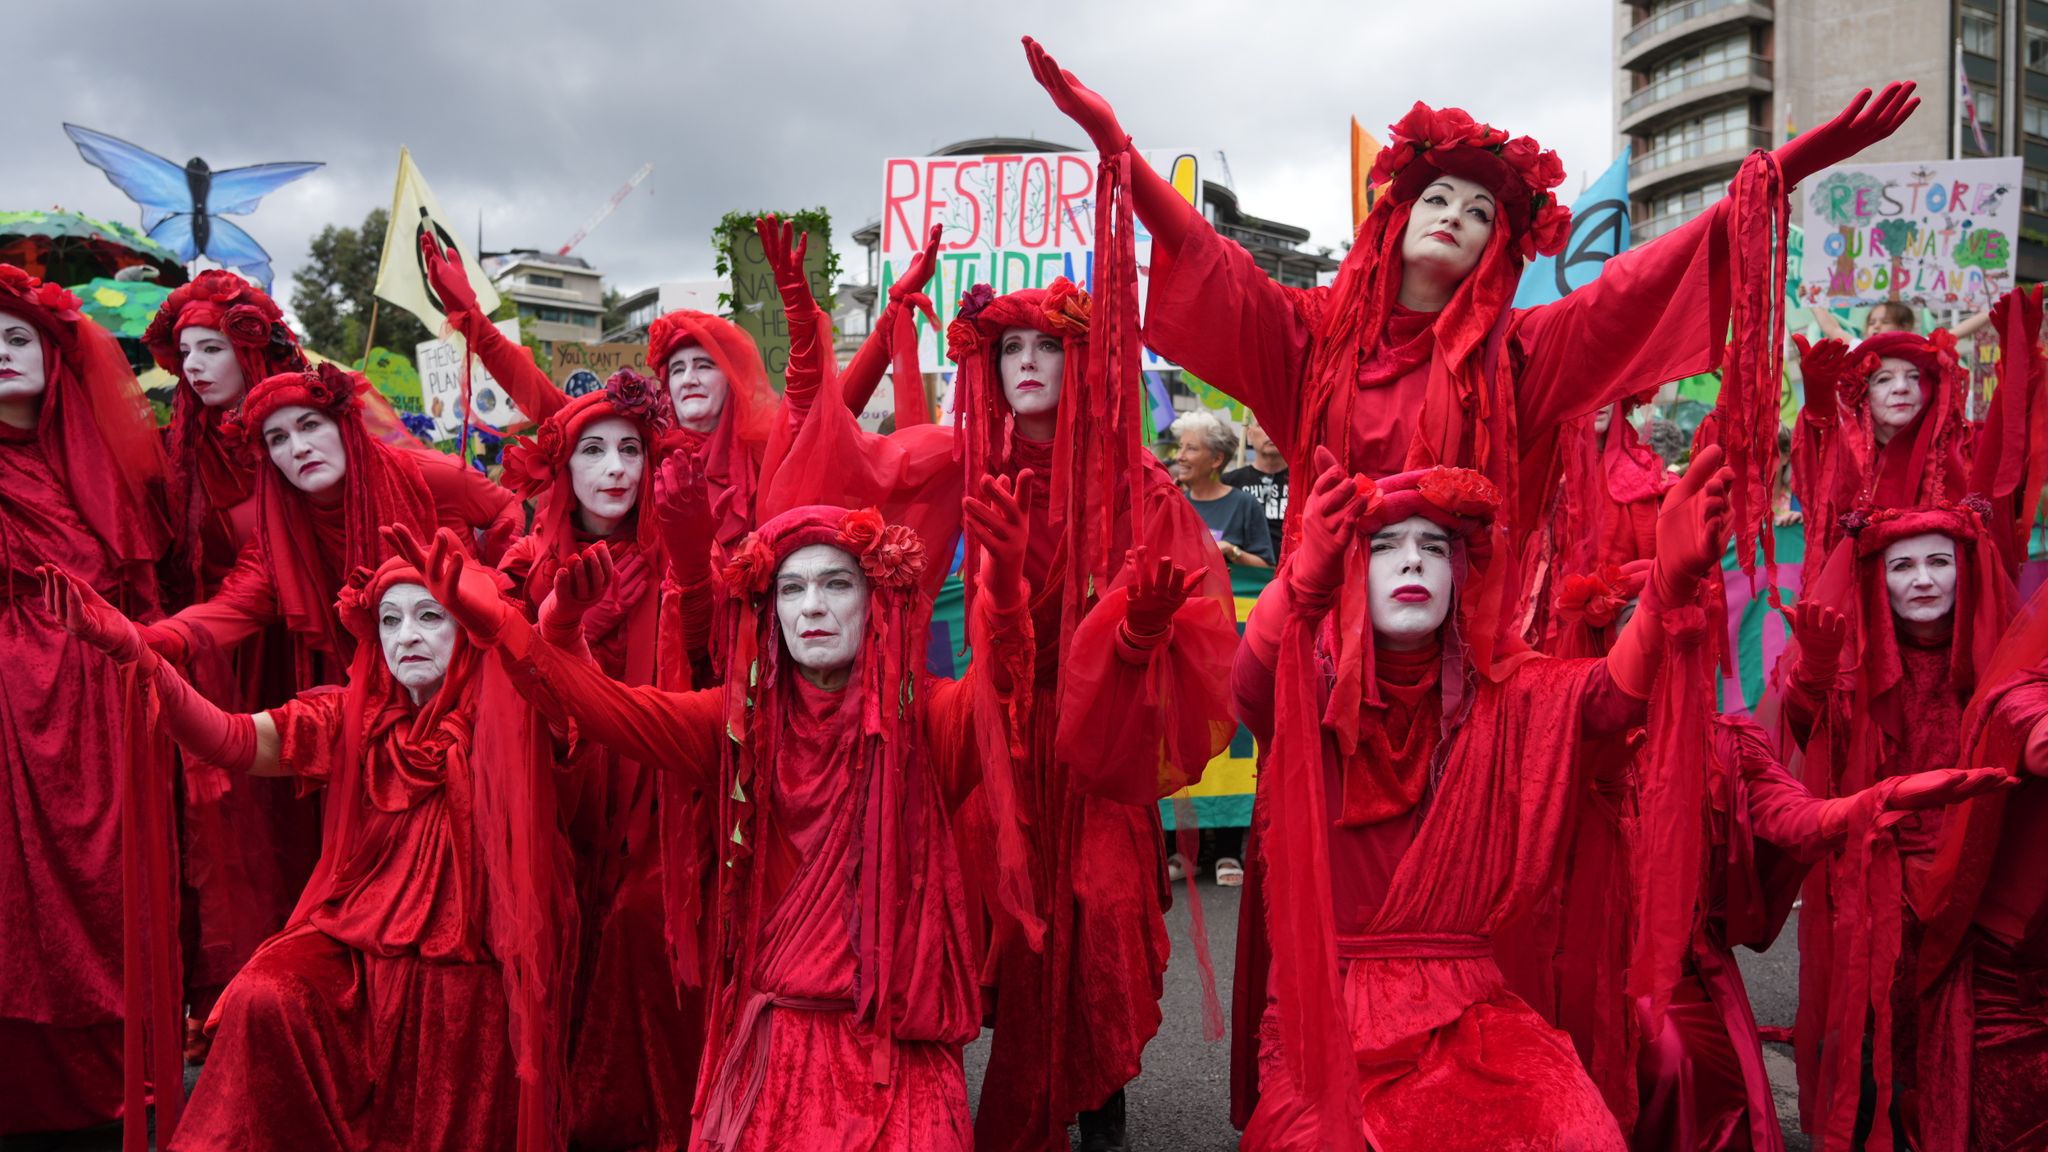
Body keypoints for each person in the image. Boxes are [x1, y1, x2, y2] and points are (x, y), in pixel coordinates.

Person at [1024, 37, 1918, 638]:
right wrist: (1117, 145)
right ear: (1398, 214)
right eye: (1439, 198)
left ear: (1500, 248)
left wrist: (1781, 170)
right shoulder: (1310, 338)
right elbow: (1201, 255)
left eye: (1482, 210)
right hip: (1323, 639)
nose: (1455, 215)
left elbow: (1641, 282)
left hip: (1466, 657)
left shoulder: (1520, 355)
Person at [395, 492, 1038, 1152]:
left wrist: (1007, 587)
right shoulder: (732, 725)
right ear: (770, 611)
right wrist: (502, 627)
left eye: (836, 584)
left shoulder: (928, 723)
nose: (812, 605)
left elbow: (1001, 692)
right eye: (791, 588)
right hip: (775, 1049)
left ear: (876, 600)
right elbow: (600, 707)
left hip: (899, 1054)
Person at [1230, 443, 1734, 1151]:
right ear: (1349, 571)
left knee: (1577, 1132)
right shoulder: (1307, 692)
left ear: (1461, 576)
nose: (1413, 562)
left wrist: (1666, 593)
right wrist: (1300, 587)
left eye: (1435, 547)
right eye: (1386, 547)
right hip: (1330, 1014)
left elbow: (1611, 700)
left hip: (1472, 1013)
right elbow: (1252, 686)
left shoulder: (1512, 695)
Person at [43, 553, 576, 1152]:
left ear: (471, 628)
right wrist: (136, 657)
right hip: (359, 941)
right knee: (262, 993)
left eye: (431, 617)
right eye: (390, 621)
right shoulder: (352, 717)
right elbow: (229, 738)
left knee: (462, 1015)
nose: (407, 637)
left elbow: (562, 697)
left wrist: (558, 619)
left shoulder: (513, 710)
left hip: (477, 951)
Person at [946, 276, 1239, 1152]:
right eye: (1010, 348)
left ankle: (1101, 1096)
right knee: (1022, 924)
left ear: (1081, 363)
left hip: (1098, 740)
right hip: (1003, 737)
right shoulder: (965, 463)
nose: (1027, 363)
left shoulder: (1135, 483)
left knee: (1102, 910)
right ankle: (1041, 1096)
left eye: (1047, 347)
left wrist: (1137, 634)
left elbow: (1194, 610)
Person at [493, 372, 704, 1152]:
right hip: (555, 789)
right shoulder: (523, 562)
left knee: (637, 924)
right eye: (594, 450)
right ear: (562, 468)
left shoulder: (682, 556)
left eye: (631, 450)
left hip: (657, 804)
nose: (616, 468)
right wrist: (555, 627)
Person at [1776, 503, 2017, 1149]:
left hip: (1973, 886)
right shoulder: (1862, 666)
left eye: (1939, 562)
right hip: (1877, 889)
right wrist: (1817, 672)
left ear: (1964, 570)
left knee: (1959, 1042)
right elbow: (1811, 732)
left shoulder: (1998, 661)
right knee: (1872, 1038)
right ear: (1878, 578)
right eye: (1902, 565)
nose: (1922, 579)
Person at [139, 269, 329, 1056]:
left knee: (312, 820)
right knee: (239, 834)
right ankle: (244, 997)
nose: (194, 366)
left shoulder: (303, 425)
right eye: (185, 351)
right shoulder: (179, 448)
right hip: (225, 651)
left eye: (212, 348)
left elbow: (265, 569)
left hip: (308, 645)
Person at [0, 265, 171, 1135]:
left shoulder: (108, 458)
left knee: (115, 885)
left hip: (106, 698)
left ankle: (128, 1076)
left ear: (54, 353)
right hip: (8, 706)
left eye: (16, 336)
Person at [1908, 576, 2048, 1150]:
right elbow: (2027, 724)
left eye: (1938, 561)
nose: (1922, 580)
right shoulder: (2023, 694)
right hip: (2011, 968)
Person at [1174, 409, 1273, 568]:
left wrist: (1231, 550)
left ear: (1217, 459)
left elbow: (1266, 568)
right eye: (1180, 447)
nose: (1179, 456)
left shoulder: (1245, 504)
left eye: (1191, 448)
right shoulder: (1175, 504)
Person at [1223, 419, 1289, 561]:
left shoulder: (1303, 481)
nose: (1270, 431)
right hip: (1247, 575)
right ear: (1249, 434)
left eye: (1277, 424)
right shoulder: (1228, 482)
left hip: (1294, 570)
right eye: (1261, 425)